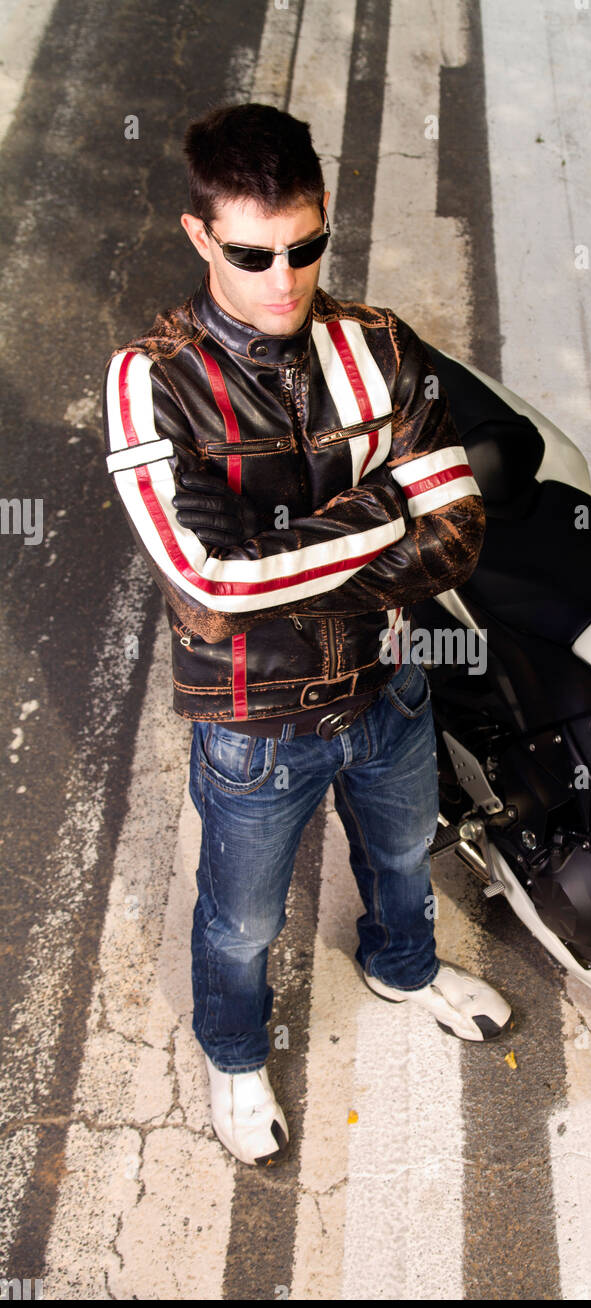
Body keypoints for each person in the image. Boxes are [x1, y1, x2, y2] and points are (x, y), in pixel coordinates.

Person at [101, 103, 511, 1167]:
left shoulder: (377, 343)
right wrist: (383, 505)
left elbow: (458, 531)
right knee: (239, 924)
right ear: (200, 236)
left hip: (389, 684)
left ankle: (402, 966)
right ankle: (236, 1052)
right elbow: (208, 581)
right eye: (250, 254)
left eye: (305, 246)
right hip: (253, 724)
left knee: (402, 855)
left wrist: (282, 567)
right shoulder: (150, 381)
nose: (283, 279)